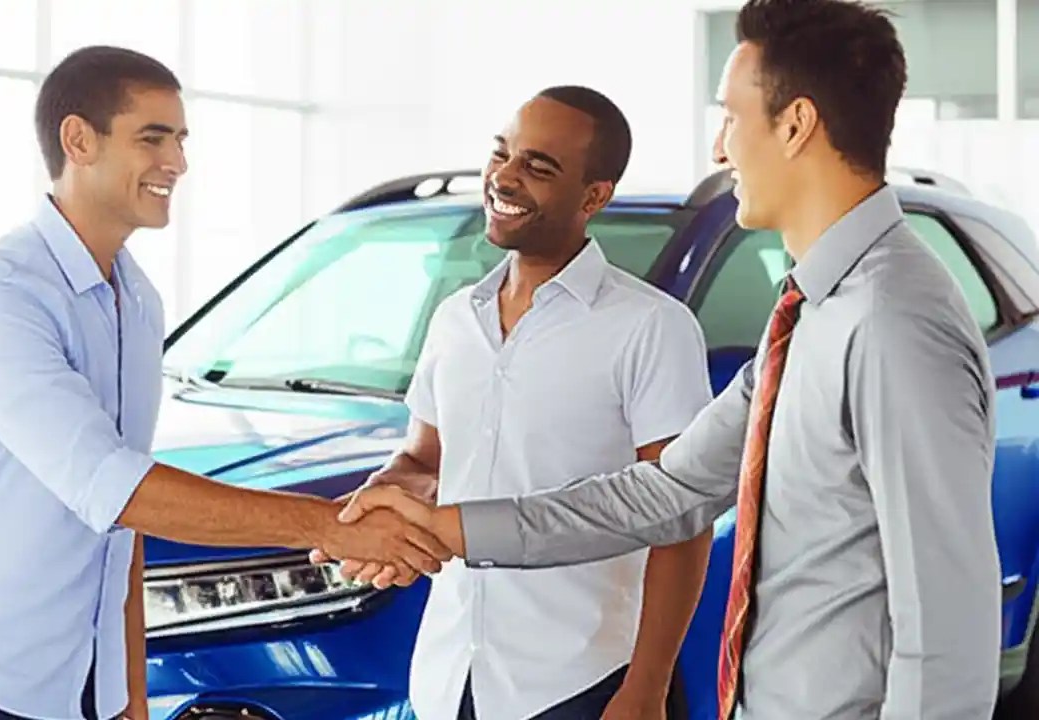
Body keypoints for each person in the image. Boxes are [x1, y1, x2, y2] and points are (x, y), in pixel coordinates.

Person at [330, 1, 1002, 718]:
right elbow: (668, 493)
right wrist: (444, 528)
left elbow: (947, 630)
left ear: (796, 124)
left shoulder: (893, 319)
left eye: (731, 118)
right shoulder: (812, 314)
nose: (719, 150)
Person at [0, 45, 450, 720]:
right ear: (79, 140)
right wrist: (331, 528)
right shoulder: (1, 296)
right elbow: (113, 485)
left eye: (181, 141)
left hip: (87, 688)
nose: (178, 163)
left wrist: (128, 695)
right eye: (153, 138)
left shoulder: (136, 299)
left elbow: (121, 529)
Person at [320, 87, 714, 720]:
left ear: (594, 196)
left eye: (538, 166)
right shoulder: (455, 319)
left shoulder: (651, 327)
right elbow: (425, 460)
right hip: (449, 674)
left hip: (581, 681)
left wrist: (647, 686)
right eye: (501, 153)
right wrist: (380, 502)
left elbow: (681, 519)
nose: (504, 177)